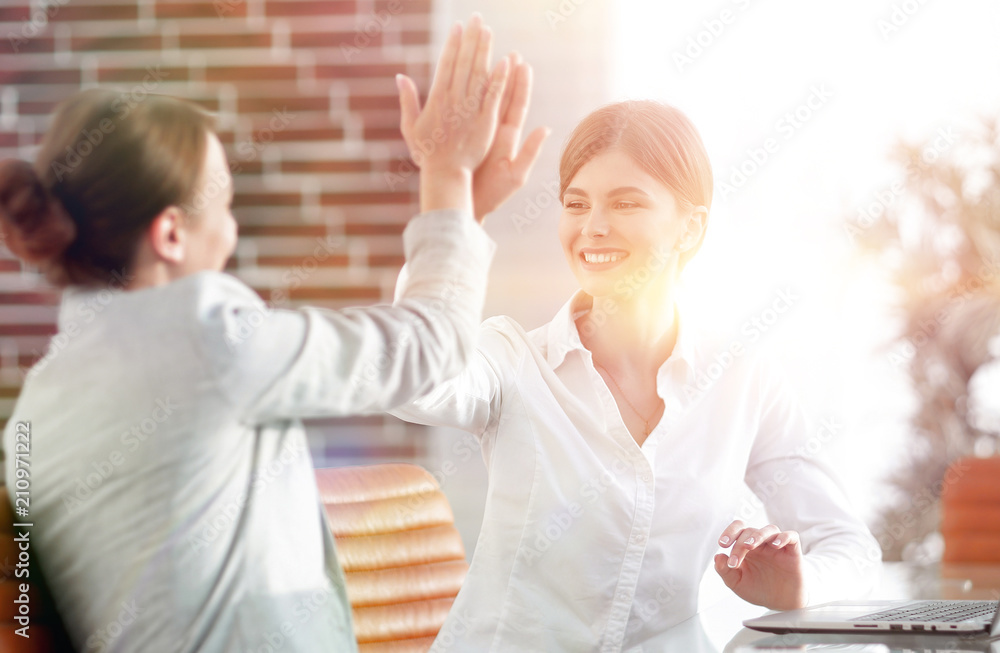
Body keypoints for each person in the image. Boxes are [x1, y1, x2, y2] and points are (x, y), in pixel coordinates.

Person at [0, 15, 545, 652]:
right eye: (224, 206)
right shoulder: (202, 333)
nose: (231, 233)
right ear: (170, 234)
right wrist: (445, 178)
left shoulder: (32, 414)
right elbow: (429, 348)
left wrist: (463, 213)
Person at [389, 100, 883, 651]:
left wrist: (801, 586)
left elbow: (851, 549)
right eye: (576, 204)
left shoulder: (743, 380)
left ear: (690, 228)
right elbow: (408, 379)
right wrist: (451, 211)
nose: (593, 227)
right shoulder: (512, 362)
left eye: (625, 203)